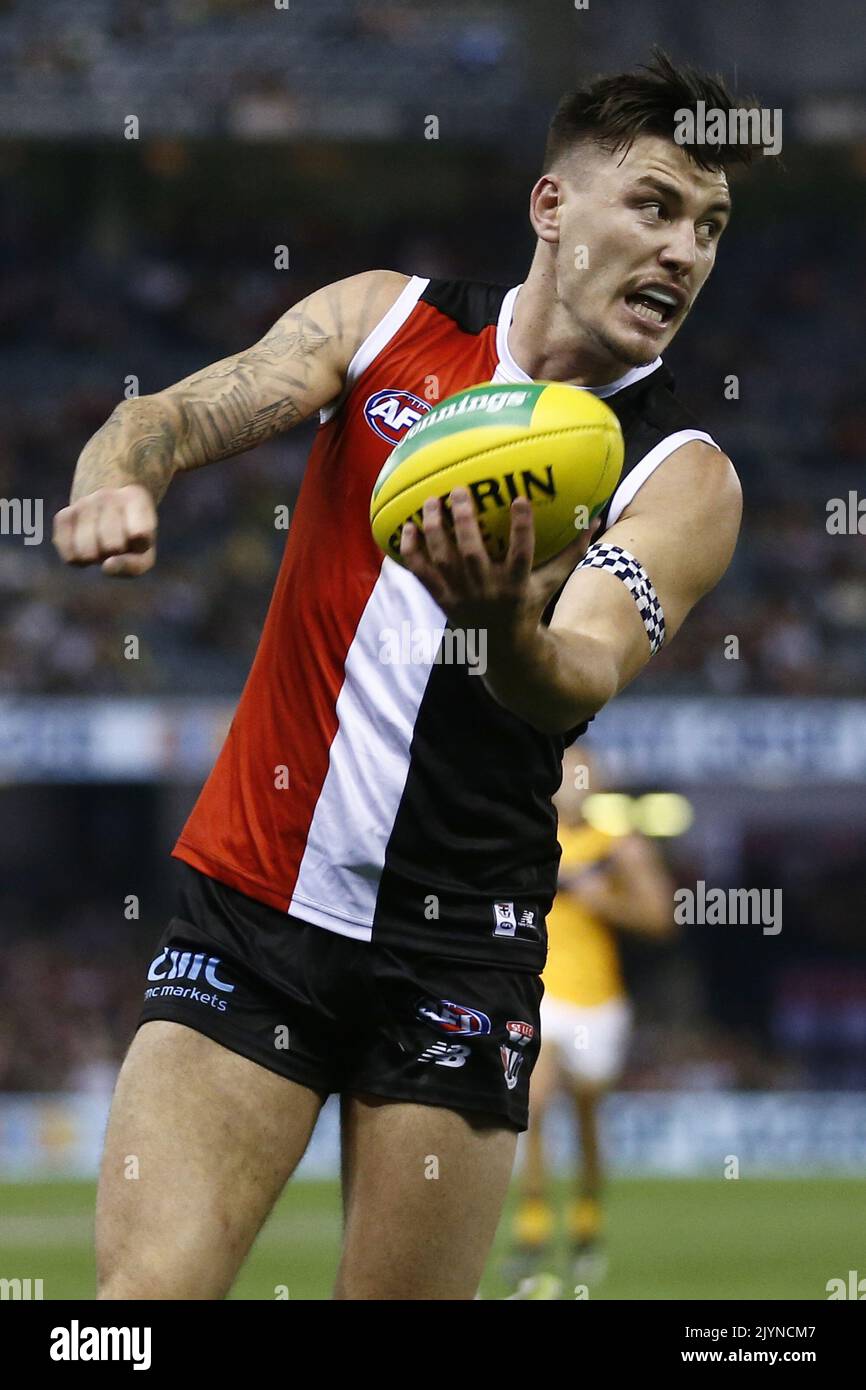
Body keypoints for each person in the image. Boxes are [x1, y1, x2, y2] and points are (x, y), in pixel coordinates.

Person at [53, 51, 750, 1300]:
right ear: (551, 207)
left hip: (458, 952)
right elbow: (170, 411)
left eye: (707, 226)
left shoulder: (683, 474)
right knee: (137, 1314)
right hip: (255, 902)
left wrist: (500, 626)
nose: (683, 251)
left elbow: (576, 673)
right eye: (652, 205)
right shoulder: (385, 319)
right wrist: (118, 476)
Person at [508, 748, 675, 1286]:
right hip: (540, 994)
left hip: (599, 1002)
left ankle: (586, 1224)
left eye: (581, 775)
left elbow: (660, 918)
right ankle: (531, 1232)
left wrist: (604, 901)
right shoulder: (526, 837)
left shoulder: (617, 845)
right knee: (532, 1104)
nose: (571, 786)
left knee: (585, 1121)